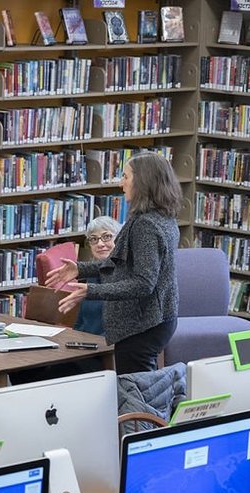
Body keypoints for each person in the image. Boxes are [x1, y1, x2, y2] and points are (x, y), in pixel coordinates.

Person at [47, 152, 180, 374]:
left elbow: (143, 283)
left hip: (144, 325)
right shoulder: (162, 217)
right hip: (158, 319)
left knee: (136, 393)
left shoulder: (146, 225)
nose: (121, 184)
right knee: (140, 388)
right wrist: (81, 268)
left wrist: (92, 290)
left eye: (126, 177)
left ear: (143, 181)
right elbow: (123, 262)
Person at [72, 215, 120, 337]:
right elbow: (81, 320)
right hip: (86, 344)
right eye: (93, 239)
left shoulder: (126, 276)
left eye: (107, 237)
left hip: (109, 347)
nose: (100, 244)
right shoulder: (93, 274)